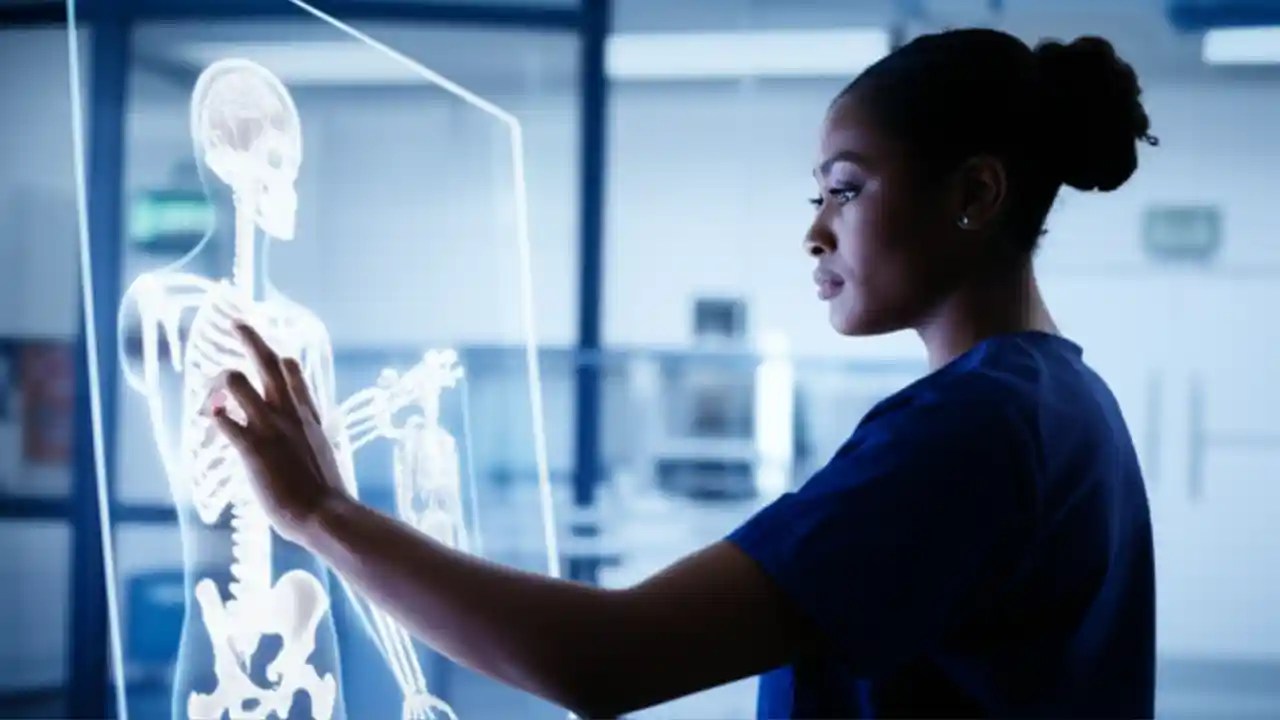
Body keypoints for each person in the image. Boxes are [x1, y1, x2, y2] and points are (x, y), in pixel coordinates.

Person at [210, 27, 1156, 719]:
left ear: (976, 193)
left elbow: (605, 660)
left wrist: (320, 513)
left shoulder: (972, 428)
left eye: (845, 189)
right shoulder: (1068, 404)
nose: (815, 231)